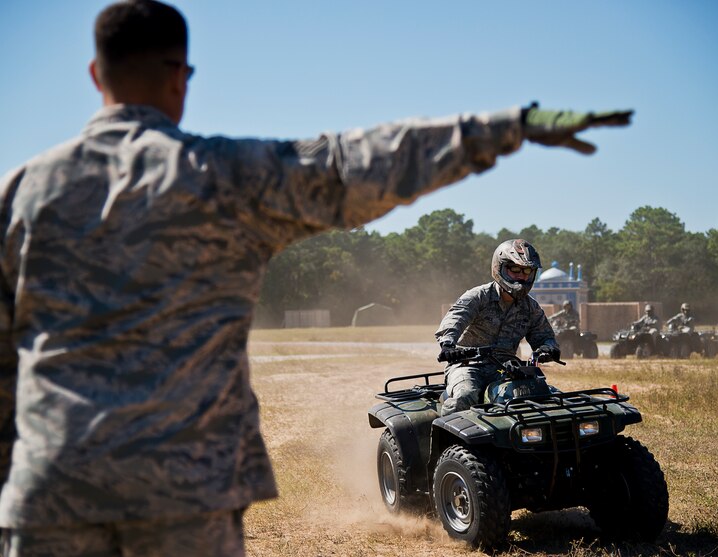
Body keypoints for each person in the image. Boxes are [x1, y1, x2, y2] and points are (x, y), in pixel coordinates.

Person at [0, 1, 632, 555]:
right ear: (180, 77)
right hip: (184, 493)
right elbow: (356, 162)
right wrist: (510, 126)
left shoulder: (21, 195)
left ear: (94, 75)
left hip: (49, 487)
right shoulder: (223, 177)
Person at [435, 239, 560, 416]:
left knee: (547, 396)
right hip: (468, 365)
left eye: (527, 271)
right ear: (499, 268)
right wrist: (448, 344)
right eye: (515, 269)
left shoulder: (530, 307)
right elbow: (455, 318)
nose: (521, 276)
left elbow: (544, 336)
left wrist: (548, 349)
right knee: (466, 395)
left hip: (507, 368)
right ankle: (448, 441)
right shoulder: (478, 296)